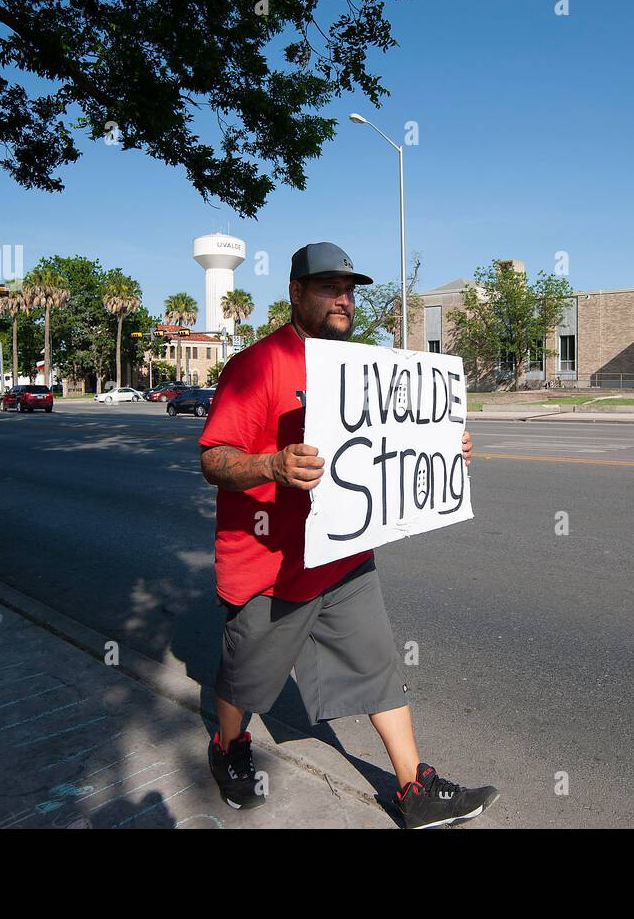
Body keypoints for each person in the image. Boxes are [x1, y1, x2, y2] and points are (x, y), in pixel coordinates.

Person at [198, 242, 500, 829]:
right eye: (328, 287)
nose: (344, 299)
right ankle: (228, 746)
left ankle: (413, 789)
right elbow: (214, 459)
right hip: (270, 564)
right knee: (247, 679)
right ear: (295, 293)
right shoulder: (256, 365)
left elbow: (395, 434)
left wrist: (444, 445)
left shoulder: (363, 366)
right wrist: (272, 466)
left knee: (376, 664)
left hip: (341, 555)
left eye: (350, 289)